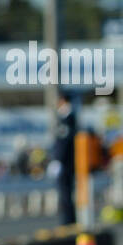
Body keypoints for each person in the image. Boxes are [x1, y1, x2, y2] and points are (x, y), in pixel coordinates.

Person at [52, 95, 77, 225]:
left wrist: (58, 160)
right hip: (67, 162)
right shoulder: (69, 118)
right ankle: (69, 219)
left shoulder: (67, 119)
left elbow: (63, 142)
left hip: (66, 162)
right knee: (66, 192)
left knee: (65, 192)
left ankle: (68, 221)